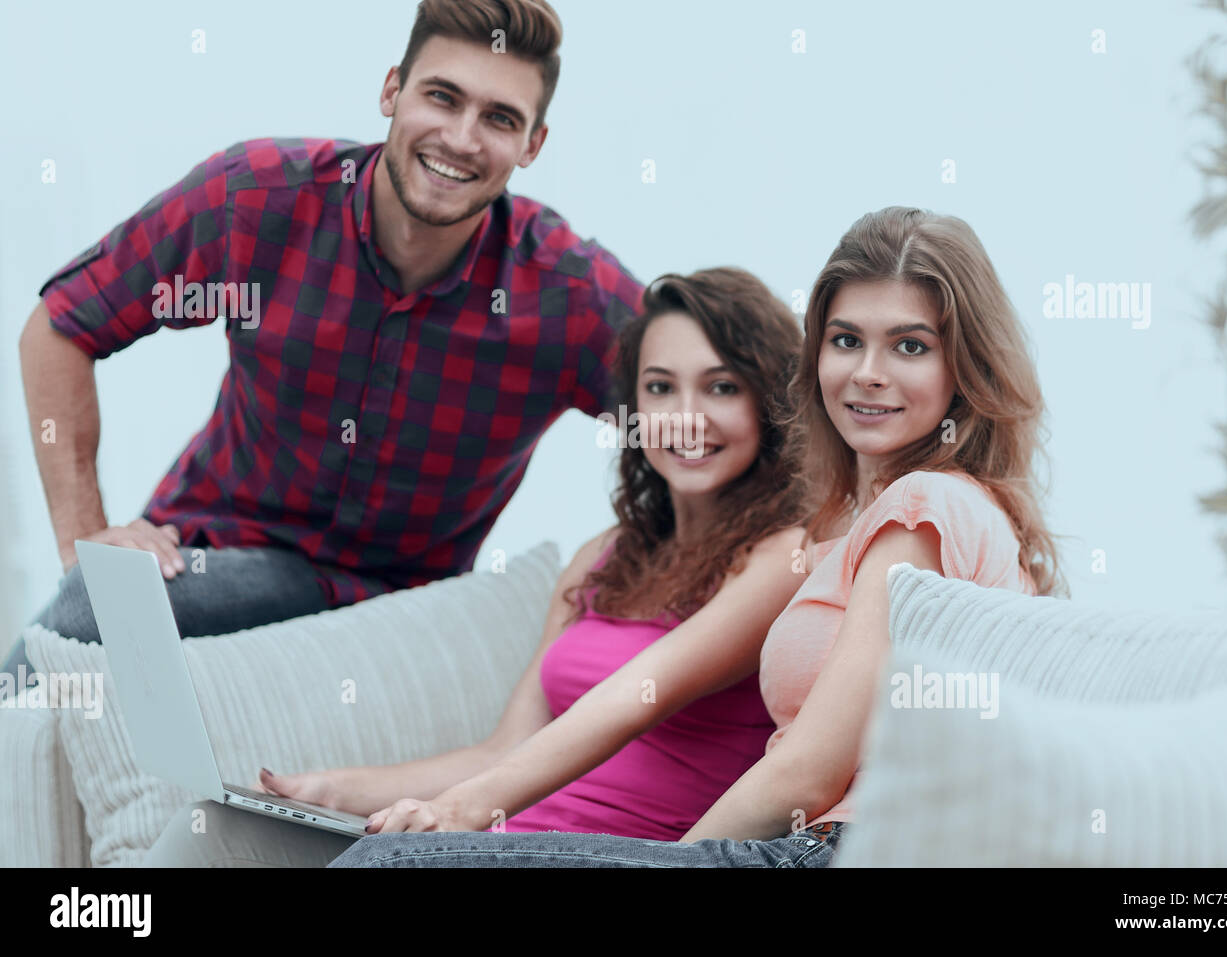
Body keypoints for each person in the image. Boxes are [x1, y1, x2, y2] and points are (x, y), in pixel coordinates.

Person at [318, 205, 1067, 867]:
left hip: (841, 844)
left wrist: (672, 865)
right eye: (846, 340)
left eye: (910, 346)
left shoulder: (923, 507)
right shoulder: (870, 528)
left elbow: (807, 774)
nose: (868, 373)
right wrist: (332, 791)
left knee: (390, 865)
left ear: (964, 364)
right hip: (810, 843)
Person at [3, 0, 643, 690]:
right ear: (392, 90)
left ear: (532, 145)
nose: (461, 138)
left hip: (398, 615)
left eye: (499, 119)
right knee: (87, 616)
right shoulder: (257, 198)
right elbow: (62, 325)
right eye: (442, 96)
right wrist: (84, 540)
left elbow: (698, 421)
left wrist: (636, 575)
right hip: (218, 556)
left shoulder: (570, 293)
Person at [142, 267, 813, 866]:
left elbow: (637, 699)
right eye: (660, 388)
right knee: (214, 831)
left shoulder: (787, 554)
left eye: (721, 387)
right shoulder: (605, 555)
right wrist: (332, 790)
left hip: (618, 853)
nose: (685, 417)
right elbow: (502, 750)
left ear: (770, 403)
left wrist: (458, 810)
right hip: (496, 842)